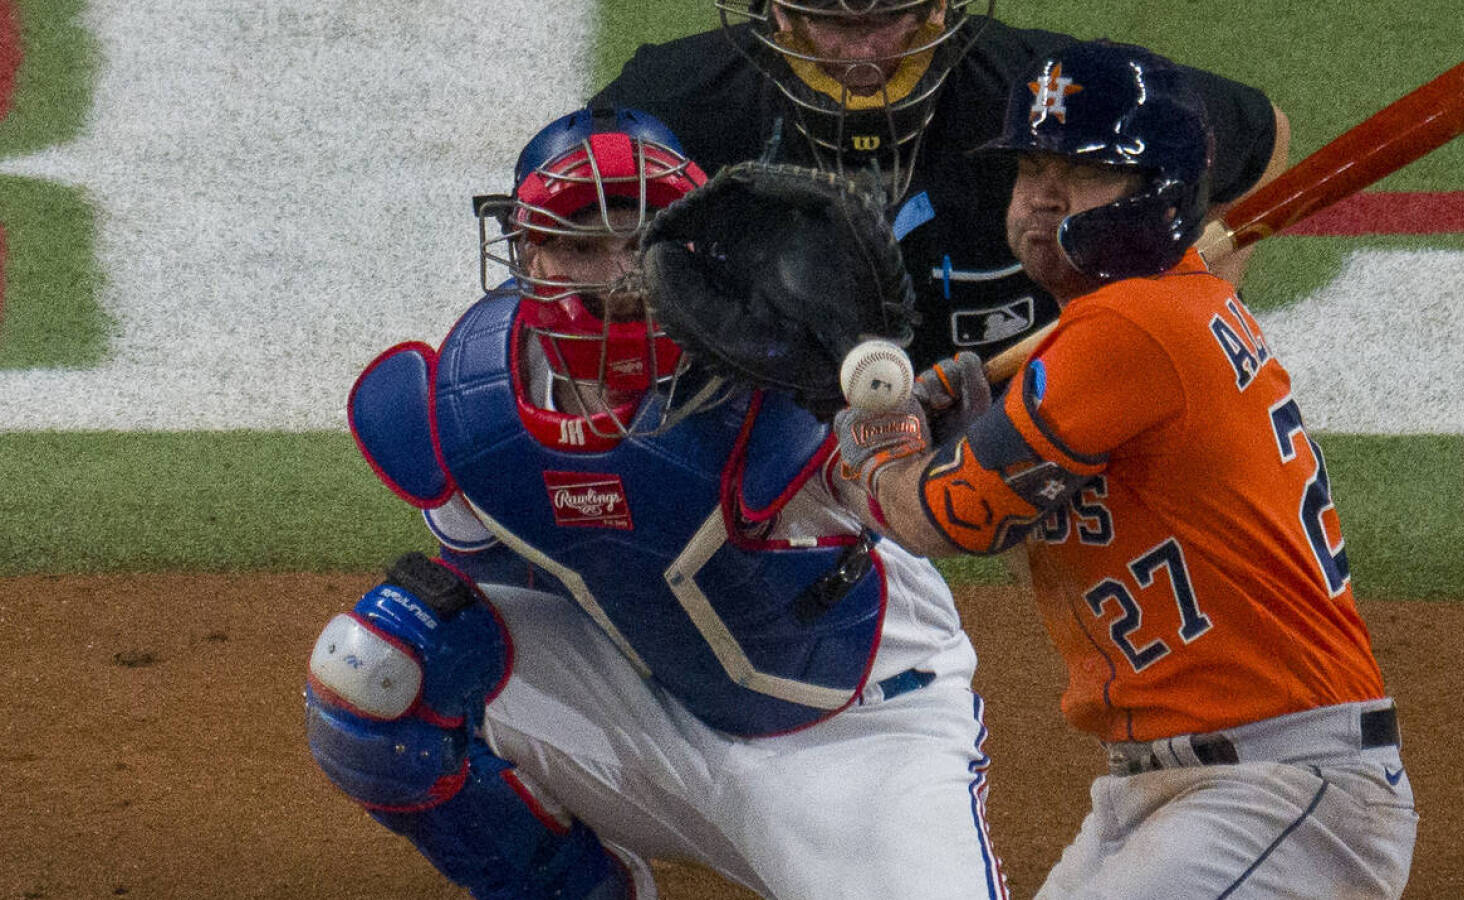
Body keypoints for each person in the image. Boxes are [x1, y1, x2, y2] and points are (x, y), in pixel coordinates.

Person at [305, 107, 1010, 900]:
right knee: (376, 666)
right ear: (527, 251)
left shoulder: (790, 374)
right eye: (581, 245)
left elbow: (914, 516)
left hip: (855, 738)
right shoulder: (469, 402)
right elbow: (488, 594)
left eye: (643, 241)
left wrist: (912, 450)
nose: (620, 275)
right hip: (652, 715)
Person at [829, 42, 1417, 898]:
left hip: (1275, 787)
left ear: (1161, 189)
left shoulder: (1131, 329)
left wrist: (883, 453)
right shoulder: (1148, 317)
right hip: (1175, 786)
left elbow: (947, 520)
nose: (1044, 196)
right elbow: (1026, 515)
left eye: (1085, 171)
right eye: (1031, 169)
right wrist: (968, 438)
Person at [591, 0, 1291, 369]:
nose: (861, 54)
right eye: (829, 17)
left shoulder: (1044, 88)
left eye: (887, 14)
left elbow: (1261, 140)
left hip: (1023, 428)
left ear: (938, 7)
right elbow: (560, 232)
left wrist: (1178, 319)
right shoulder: (675, 100)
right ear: (776, 10)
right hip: (777, 439)